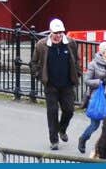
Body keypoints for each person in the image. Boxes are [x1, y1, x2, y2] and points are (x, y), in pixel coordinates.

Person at [33, 18, 81, 150]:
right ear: (51, 32)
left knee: (69, 110)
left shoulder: (70, 43)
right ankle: (54, 140)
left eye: (61, 32)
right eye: (56, 32)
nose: (59, 35)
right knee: (52, 112)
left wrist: (77, 73)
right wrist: (39, 76)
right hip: (51, 85)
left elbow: (76, 60)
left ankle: (62, 129)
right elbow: (34, 63)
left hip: (67, 85)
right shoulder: (41, 45)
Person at [77, 41, 106, 155]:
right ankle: (83, 139)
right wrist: (101, 82)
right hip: (97, 98)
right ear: (102, 52)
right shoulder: (93, 64)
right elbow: (87, 81)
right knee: (94, 125)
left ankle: (104, 148)